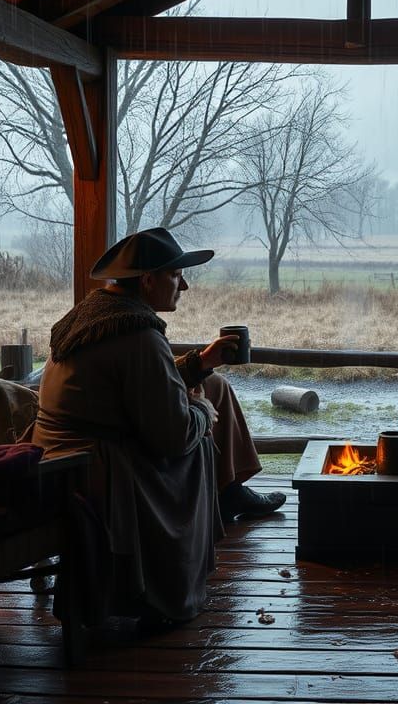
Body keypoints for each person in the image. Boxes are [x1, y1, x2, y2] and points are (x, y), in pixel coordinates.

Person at [33, 227, 284, 626]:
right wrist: (202, 414)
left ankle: (230, 491)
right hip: (95, 470)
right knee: (199, 439)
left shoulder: (97, 313)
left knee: (214, 382)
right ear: (147, 280)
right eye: (175, 275)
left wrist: (202, 362)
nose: (184, 284)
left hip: (59, 456)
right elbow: (171, 436)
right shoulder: (138, 334)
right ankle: (173, 582)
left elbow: (132, 385)